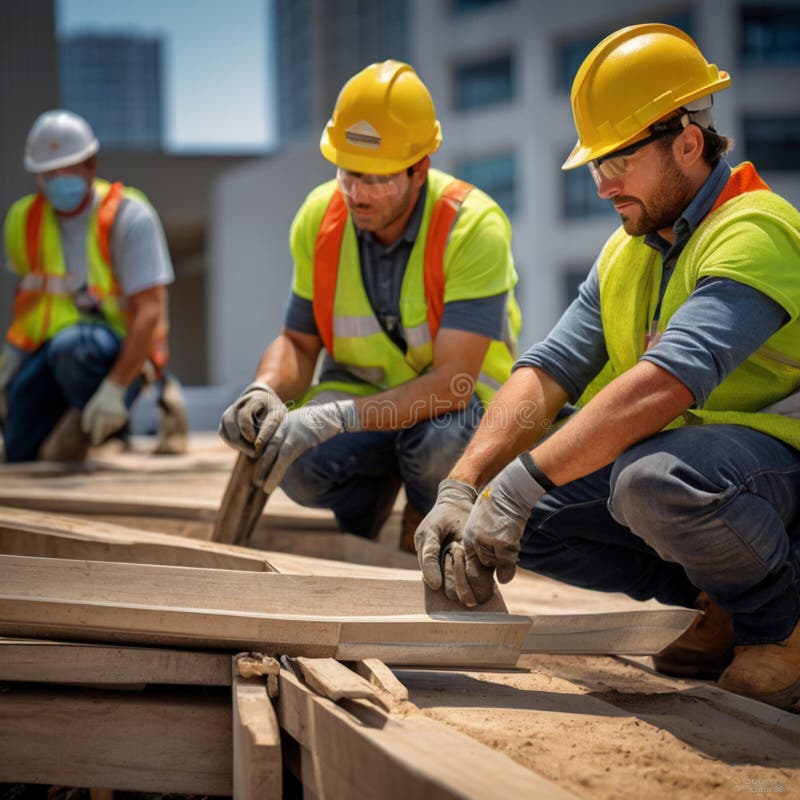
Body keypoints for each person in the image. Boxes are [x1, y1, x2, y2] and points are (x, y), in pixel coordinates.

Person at [415, 23, 800, 710]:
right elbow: (551, 367)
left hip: (775, 478)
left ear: (687, 141)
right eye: (595, 166)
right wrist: (466, 486)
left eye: (617, 162)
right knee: (538, 515)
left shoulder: (756, 231)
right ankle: (720, 604)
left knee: (651, 479)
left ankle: (783, 619)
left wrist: (519, 485)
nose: (602, 186)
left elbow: (664, 386)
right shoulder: (629, 252)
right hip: (707, 481)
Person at [219, 60, 520, 550]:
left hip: (458, 410)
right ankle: (368, 509)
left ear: (419, 168)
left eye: (376, 178)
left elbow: (451, 384)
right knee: (292, 456)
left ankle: (431, 513)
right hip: (366, 406)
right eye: (348, 173)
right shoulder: (320, 217)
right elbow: (297, 342)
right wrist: (264, 389)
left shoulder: (472, 224)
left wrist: (334, 418)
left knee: (441, 442)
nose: (356, 193)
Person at [0, 109, 188, 462]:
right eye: (46, 172)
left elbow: (150, 311)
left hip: (112, 349)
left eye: (65, 168)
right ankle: (73, 423)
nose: (56, 179)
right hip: (50, 349)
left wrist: (115, 389)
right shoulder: (24, 220)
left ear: (90, 164)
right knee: (19, 450)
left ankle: (112, 426)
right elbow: (28, 302)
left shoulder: (127, 215)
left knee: (74, 348)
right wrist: (9, 366)